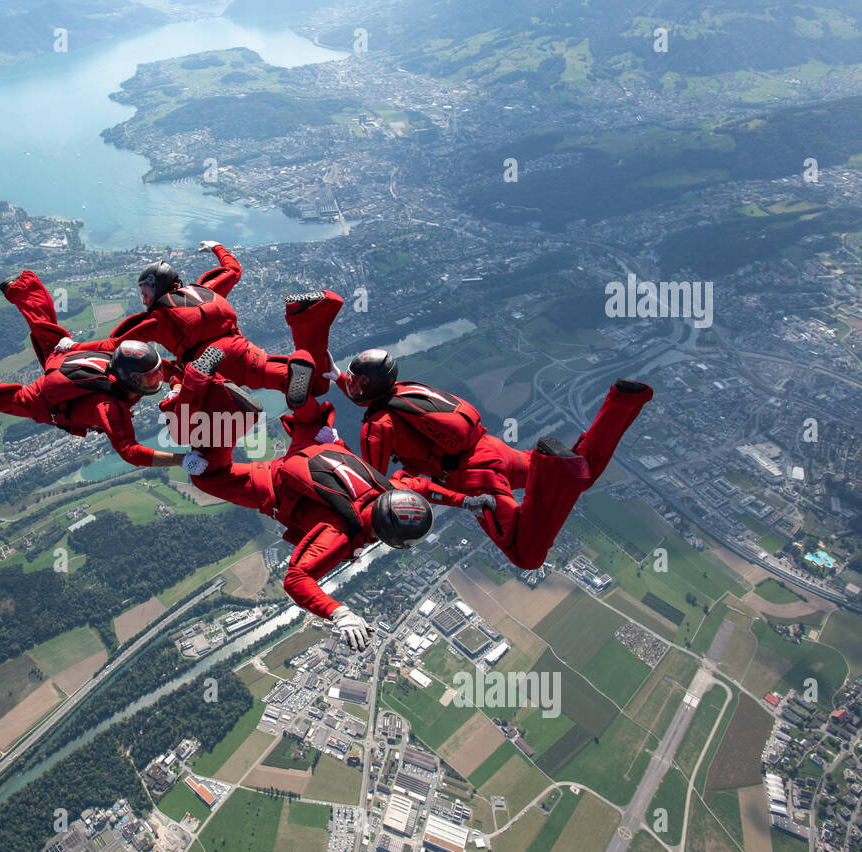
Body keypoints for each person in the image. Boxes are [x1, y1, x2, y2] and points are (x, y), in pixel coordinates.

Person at [328, 348, 654, 570]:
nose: (353, 387)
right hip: (495, 451)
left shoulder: (376, 427)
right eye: (352, 381)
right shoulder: (405, 390)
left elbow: (376, 487)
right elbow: (371, 396)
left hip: (475, 476)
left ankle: (556, 471)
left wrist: (354, 541)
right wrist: (338, 377)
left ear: (373, 385)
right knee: (583, 472)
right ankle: (624, 400)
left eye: (359, 382)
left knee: (526, 554)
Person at [181, 376, 434, 651]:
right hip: (274, 485)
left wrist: (468, 501)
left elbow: (420, 484)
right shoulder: (339, 533)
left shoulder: (391, 489)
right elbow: (296, 579)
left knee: (309, 419)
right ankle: (234, 417)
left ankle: (306, 367)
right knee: (208, 477)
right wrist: (338, 612)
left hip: (317, 449)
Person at [0, 270, 186, 468]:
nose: (156, 382)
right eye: (151, 379)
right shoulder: (109, 407)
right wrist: (182, 460)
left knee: (52, 338)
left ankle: (22, 288)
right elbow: (130, 451)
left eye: (156, 374)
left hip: (68, 361)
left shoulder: (130, 360)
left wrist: (176, 386)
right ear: (132, 380)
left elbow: (170, 369)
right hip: (45, 398)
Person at [57, 242, 339, 408]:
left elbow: (113, 345)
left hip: (209, 363)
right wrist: (217, 247)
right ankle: (304, 319)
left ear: (157, 290)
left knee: (195, 400)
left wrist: (73, 346)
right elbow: (233, 270)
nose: (144, 300)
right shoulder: (204, 289)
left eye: (145, 293)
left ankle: (228, 400)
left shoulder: (157, 318)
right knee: (307, 384)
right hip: (241, 348)